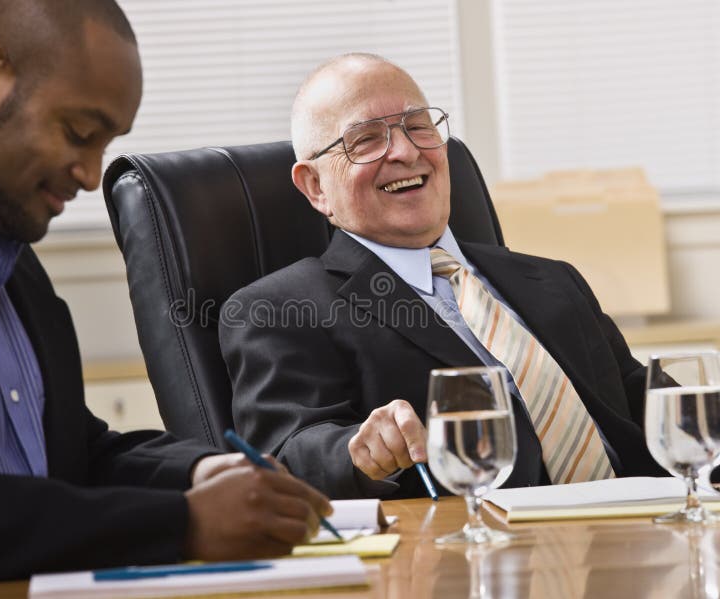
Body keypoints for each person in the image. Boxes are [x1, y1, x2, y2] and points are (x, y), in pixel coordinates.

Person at [0, 1, 330, 595]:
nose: (91, 175)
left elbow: (74, 456)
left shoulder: (14, 271)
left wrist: (198, 471)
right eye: (80, 134)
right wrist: (180, 524)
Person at [220, 53, 665, 500]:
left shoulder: (554, 279)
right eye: (367, 139)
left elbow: (645, 401)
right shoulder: (279, 309)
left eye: (418, 127)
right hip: (474, 546)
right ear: (315, 186)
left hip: (649, 526)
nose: (406, 151)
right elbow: (287, 455)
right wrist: (358, 450)